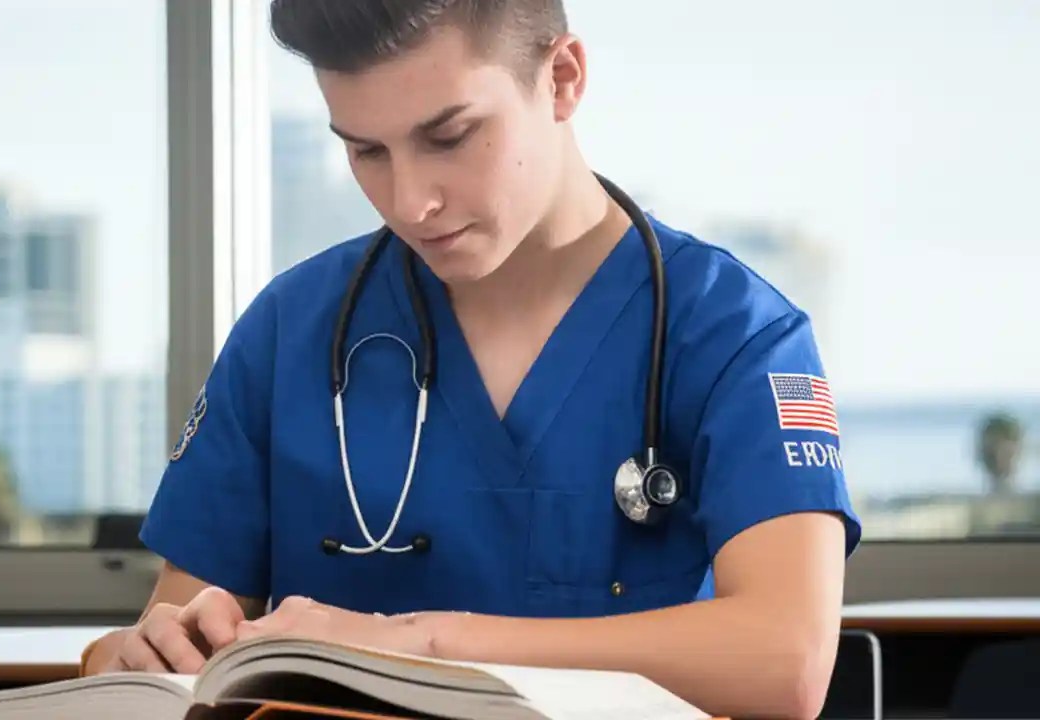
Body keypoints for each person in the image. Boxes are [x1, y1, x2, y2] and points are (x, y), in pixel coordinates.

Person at [81, 1, 862, 717]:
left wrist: (418, 644)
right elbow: (179, 646)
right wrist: (136, 659)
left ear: (562, 78)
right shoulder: (289, 332)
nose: (410, 201)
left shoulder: (733, 333)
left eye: (448, 137)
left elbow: (785, 661)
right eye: (366, 151)